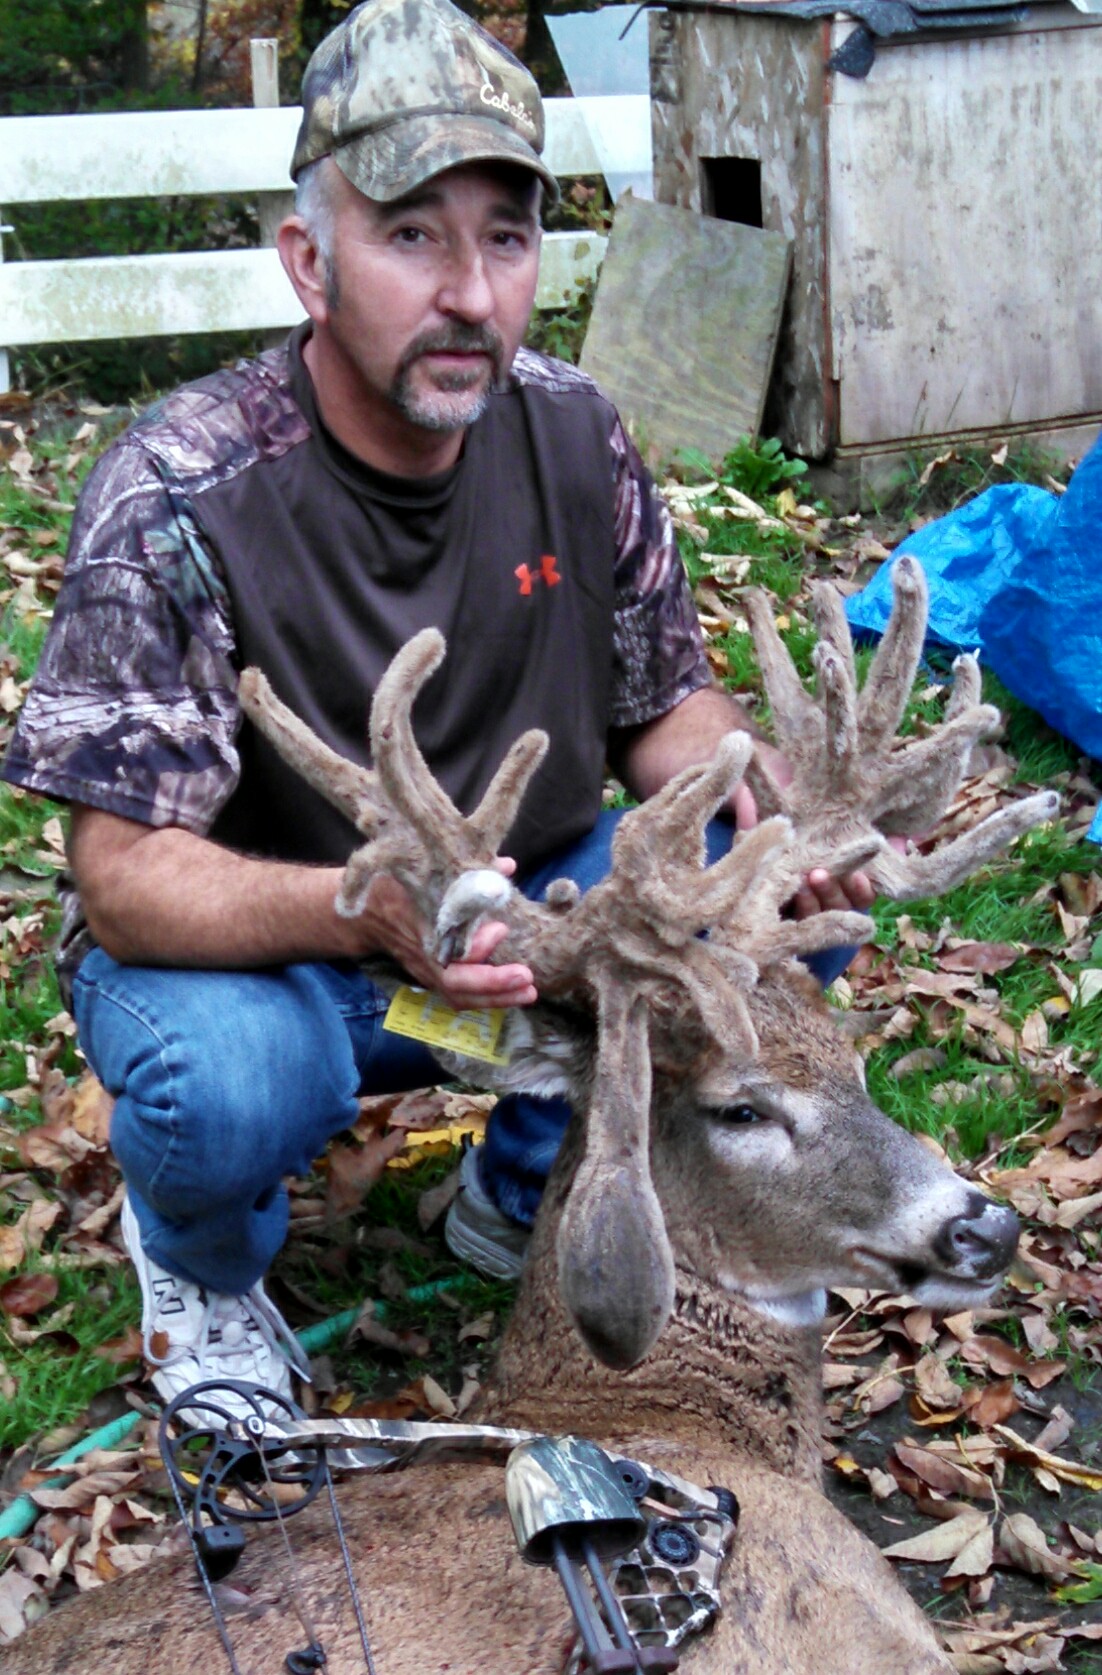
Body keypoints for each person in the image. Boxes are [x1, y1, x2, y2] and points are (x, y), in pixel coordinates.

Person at [2, 0, 868, 1417]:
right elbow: (123, 881)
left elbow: (667, 715)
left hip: (529, 944)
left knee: (764, 916)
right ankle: (208, 1271)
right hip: (278, 972)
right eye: (411, 235)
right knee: (222, 1090)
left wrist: (767, 803)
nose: (471, 293)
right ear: (307, 259)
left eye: (506, 238)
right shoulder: (174, 491)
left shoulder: (576, 434)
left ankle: (520, 1188)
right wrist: (368, 909)